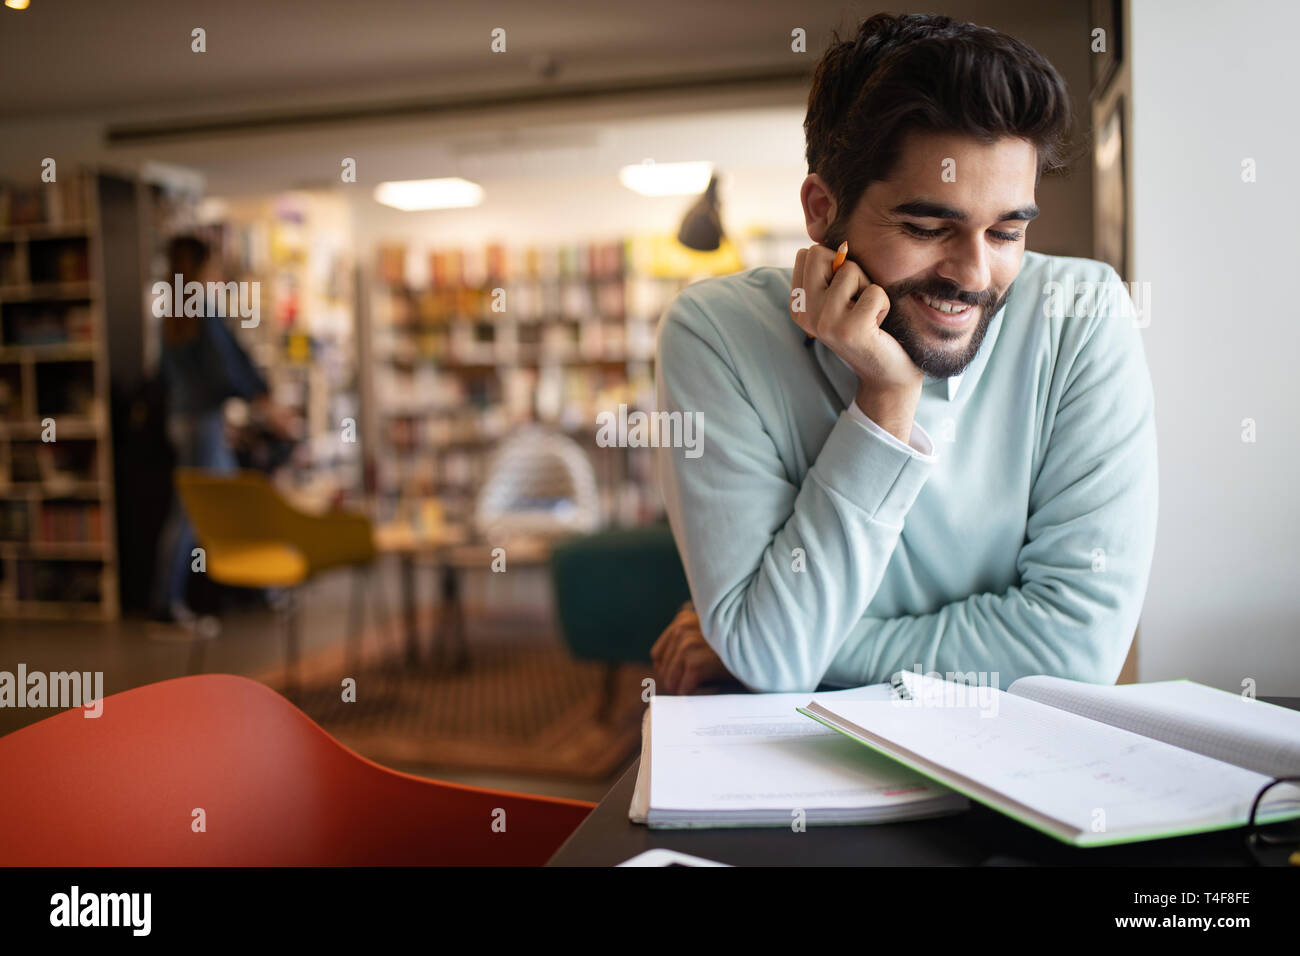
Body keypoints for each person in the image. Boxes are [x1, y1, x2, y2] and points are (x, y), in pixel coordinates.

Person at [651, 13, 1157, 694]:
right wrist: (886, 403)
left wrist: (792, 651)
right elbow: (769, 653)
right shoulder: (717, 337)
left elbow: (1073, 654)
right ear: (822, 209)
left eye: (1006, 232)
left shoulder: (1082, 315)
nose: (974, 276)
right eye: (926, 227)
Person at [150, 235, 296, 622]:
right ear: (200, 268)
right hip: (203, 423)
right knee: (201, 512)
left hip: (184, 419)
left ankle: (265, 588)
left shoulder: (170, 311)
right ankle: (166, 605)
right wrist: (262, 402)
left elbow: (167, 374)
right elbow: (228, 366)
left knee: (215, 507)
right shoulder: (202, 309)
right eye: (213, 267)